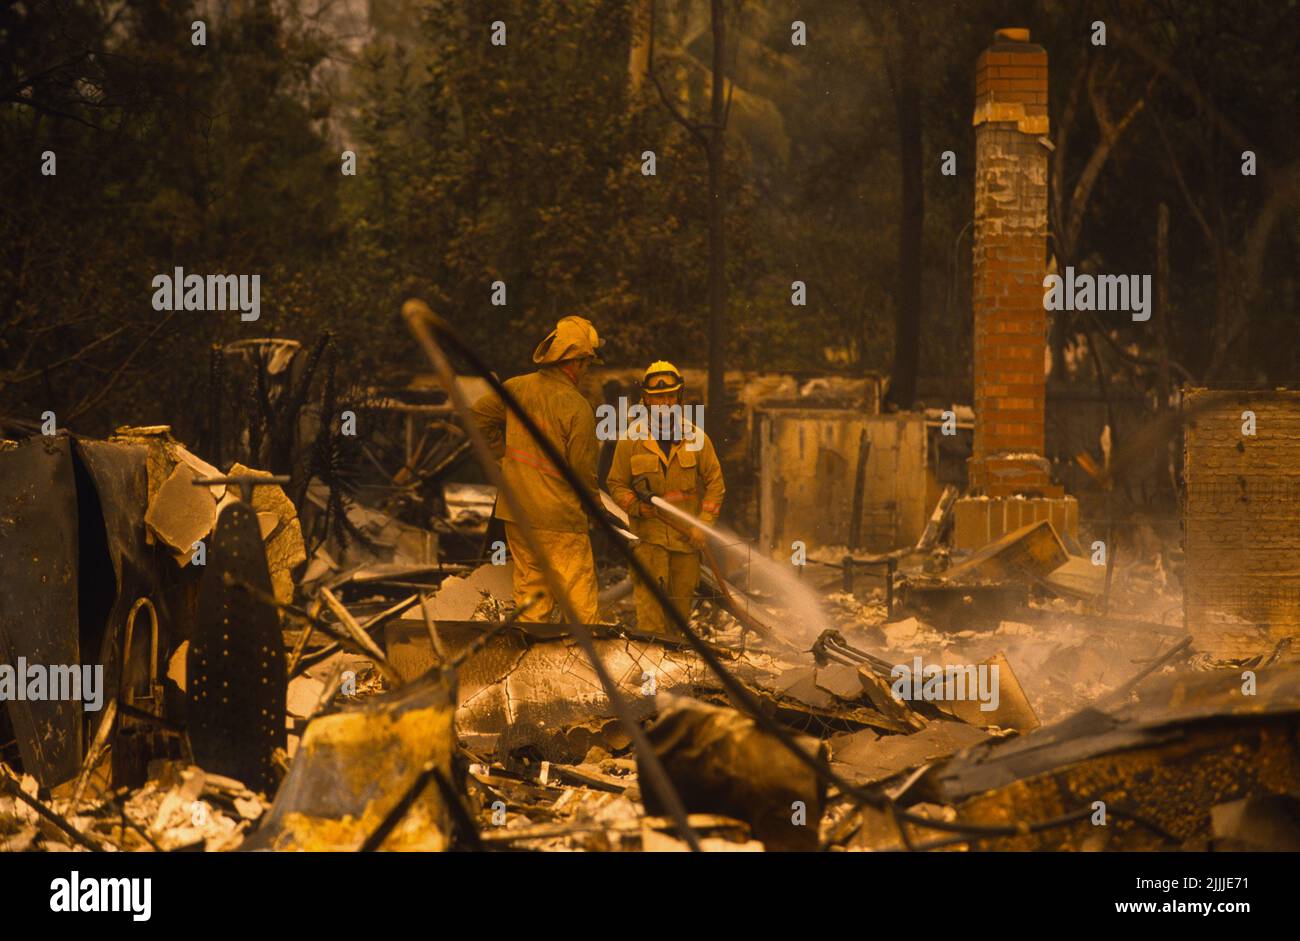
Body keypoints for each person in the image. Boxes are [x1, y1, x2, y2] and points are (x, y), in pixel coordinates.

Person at [471, 316, 603, 623]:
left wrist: (502, 456)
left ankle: (531, 664)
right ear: (578, 362)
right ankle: (587, 667)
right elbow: (582, 473)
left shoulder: (516, 388)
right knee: (579, 604)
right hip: (560, 520)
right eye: (587, 364)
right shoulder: (577, 407)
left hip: (518, 514)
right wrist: (595, 506)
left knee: (531, 600)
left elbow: (478, 416)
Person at [606, 361, 725, 637]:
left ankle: (673, 673)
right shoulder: (630, 440)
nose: (665, 402)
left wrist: (703, 524)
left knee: (679, 620)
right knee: (650, 619)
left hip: (686, 544)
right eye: (658, 397)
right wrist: (635, 506)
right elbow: (616, 483)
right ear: (646, 399)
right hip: (649, 544)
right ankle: (652, 673)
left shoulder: (697, 439)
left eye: (671, 396)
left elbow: (716, 484)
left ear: (679, 398)